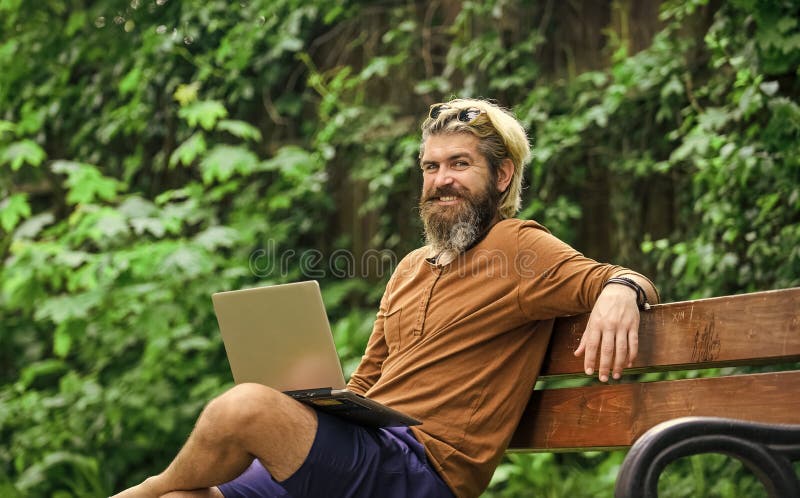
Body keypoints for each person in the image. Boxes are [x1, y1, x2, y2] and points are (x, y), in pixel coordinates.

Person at [112, 98, 658, 498]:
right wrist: (320, 401)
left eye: (459, 165)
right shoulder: (409, 268)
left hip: (421, 472)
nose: (440, 180)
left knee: (244, 407)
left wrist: (623, 288)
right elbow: (366, 384)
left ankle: (146, 486)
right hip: (365, 454)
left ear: (501, 176)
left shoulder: (518, 247)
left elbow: (612, 277)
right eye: (430, 167)